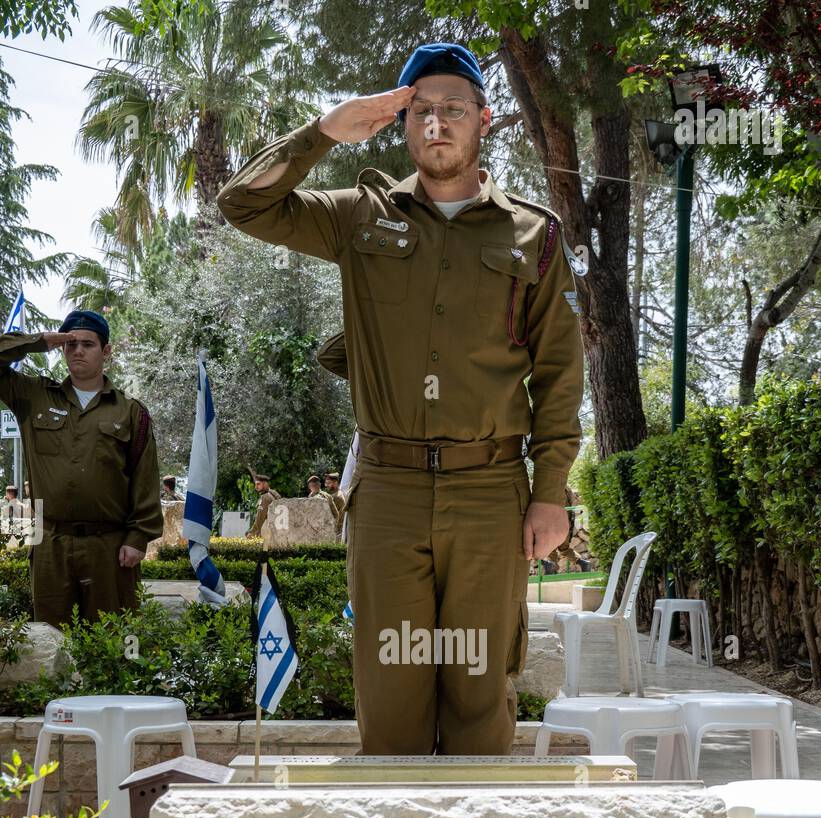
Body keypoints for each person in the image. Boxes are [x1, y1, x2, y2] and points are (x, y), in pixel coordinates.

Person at [218, 41, 583, 755]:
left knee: (481, 696)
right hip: (387, 491)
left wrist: (552, 490)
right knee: (390, 698)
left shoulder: (534, 233)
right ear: (402, 123)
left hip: (491, 491)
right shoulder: (359, 216)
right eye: (420, 111)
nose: (437, 124)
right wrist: (323, 131)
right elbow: (242, 204)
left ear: (483, 119)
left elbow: (560, 369)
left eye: (452, 110)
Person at [0, 308, 161, 626]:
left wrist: (138, 537)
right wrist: (37, 341)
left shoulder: (130, 412)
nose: (77, 350)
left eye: (87, 344)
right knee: (51, 643)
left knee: (111, 642)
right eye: (70, 344)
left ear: (106, 351)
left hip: (110, 548)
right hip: (50, 545)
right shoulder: (34, 396)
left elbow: (145, 477)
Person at [247, 470, 281, 538]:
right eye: (255, 484)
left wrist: (252, 533)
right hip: (277, 531)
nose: (256, 487)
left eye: (258, 484)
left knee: (265, 548)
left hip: (267, 532)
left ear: (265, 484)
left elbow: (260, 518)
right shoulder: (274, 494)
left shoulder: (265, 497)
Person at [323, 471, 346, 536]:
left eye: (329, 483)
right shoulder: (334, 494)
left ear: (335, 483)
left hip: (337, 531)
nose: (326, 485)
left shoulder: (337, 497)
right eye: (326, 483)